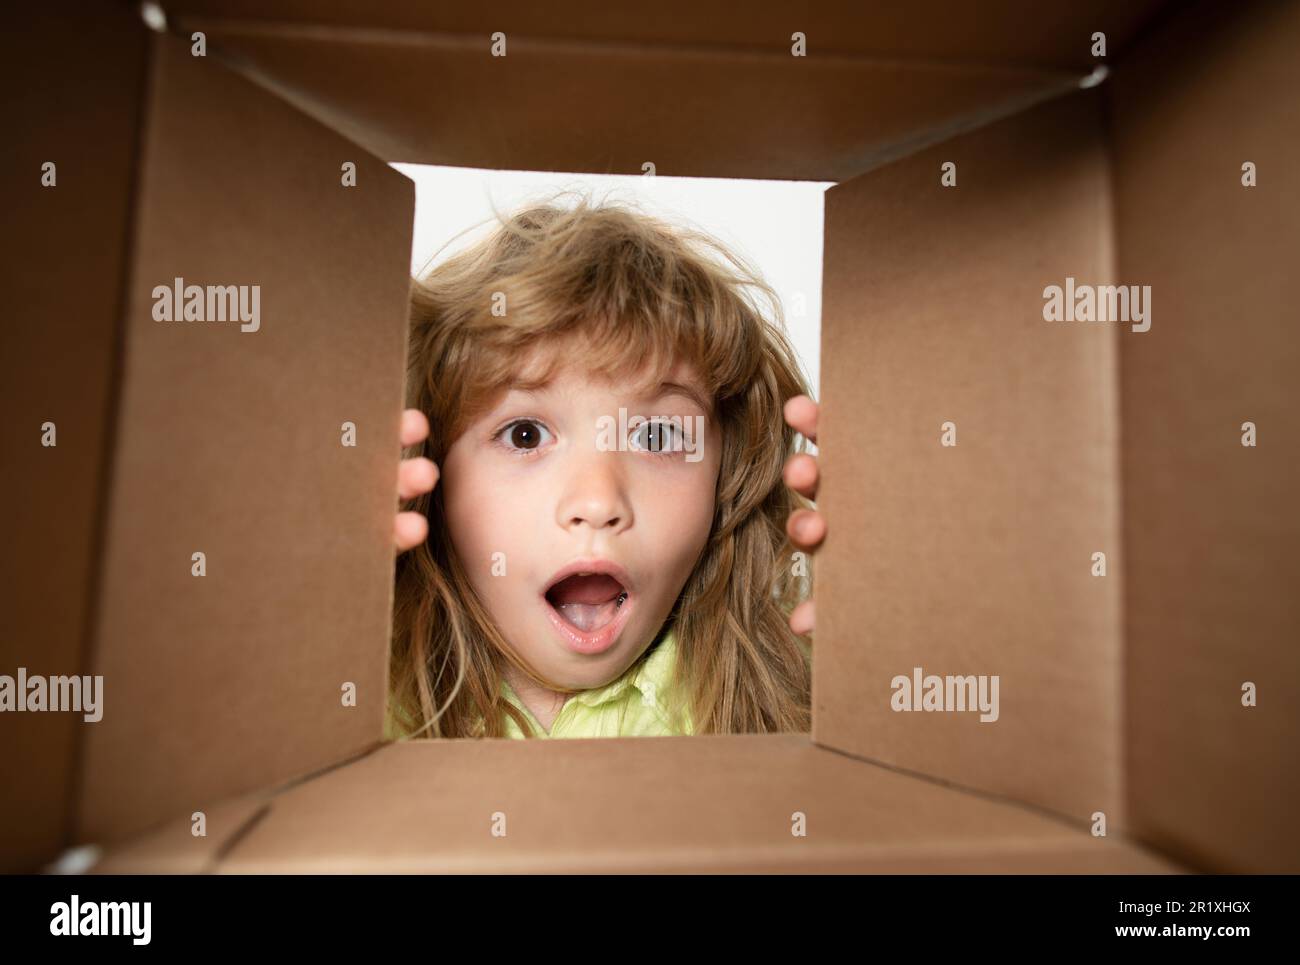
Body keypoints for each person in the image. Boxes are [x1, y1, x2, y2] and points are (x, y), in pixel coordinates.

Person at [386, 194, 826, 740]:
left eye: (658, 436)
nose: (597, 502)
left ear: (726, 477)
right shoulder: (358, 693)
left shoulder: (802, 687)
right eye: (525, 435)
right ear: (432, 472)